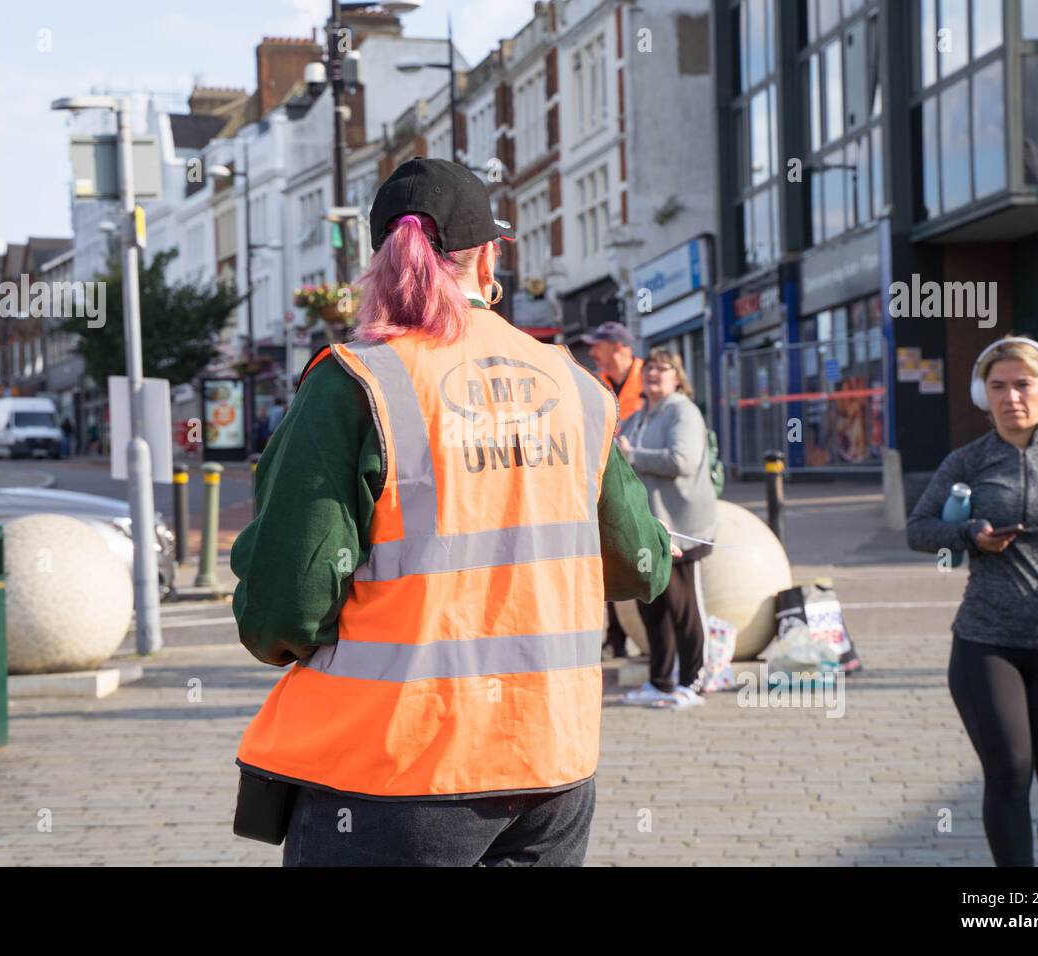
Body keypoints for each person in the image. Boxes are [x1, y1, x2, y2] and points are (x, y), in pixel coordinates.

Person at [230, 157, 676, 867]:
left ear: (379, 260)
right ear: (490, 256)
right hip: (550, 766)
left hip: (393, 770)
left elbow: (283, 604)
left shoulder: (358, 380)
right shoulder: (577, 386)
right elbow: (639, 564)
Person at [906, 336, 1038, 867]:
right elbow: (919, 529)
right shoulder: (967, 461)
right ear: (984, 395)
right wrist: (969, 536)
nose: (1011, 397)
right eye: (997, 386)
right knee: (1009, 772)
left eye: (1022, 384)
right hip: (985, 643)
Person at [616, 348, 719, 709]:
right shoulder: (638, 414)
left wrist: (633, 455)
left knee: (684, 607)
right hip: (650, 528)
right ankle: (660, 682)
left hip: (684, 526)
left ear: (678, 377)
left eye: (663, 369)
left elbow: (683, 460)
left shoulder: (682, 411)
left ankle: (694, 681)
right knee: (652, 606)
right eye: (650, 369)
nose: (654, 375)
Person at [585, 321, 646, 659]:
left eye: (599, 345)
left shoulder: (646, 378)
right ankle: (618, 636)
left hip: (644, 481)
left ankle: (647, 635)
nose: (594, 352)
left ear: (620, 347)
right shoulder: (599, 382)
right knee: (610, 556)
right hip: (610, 478)